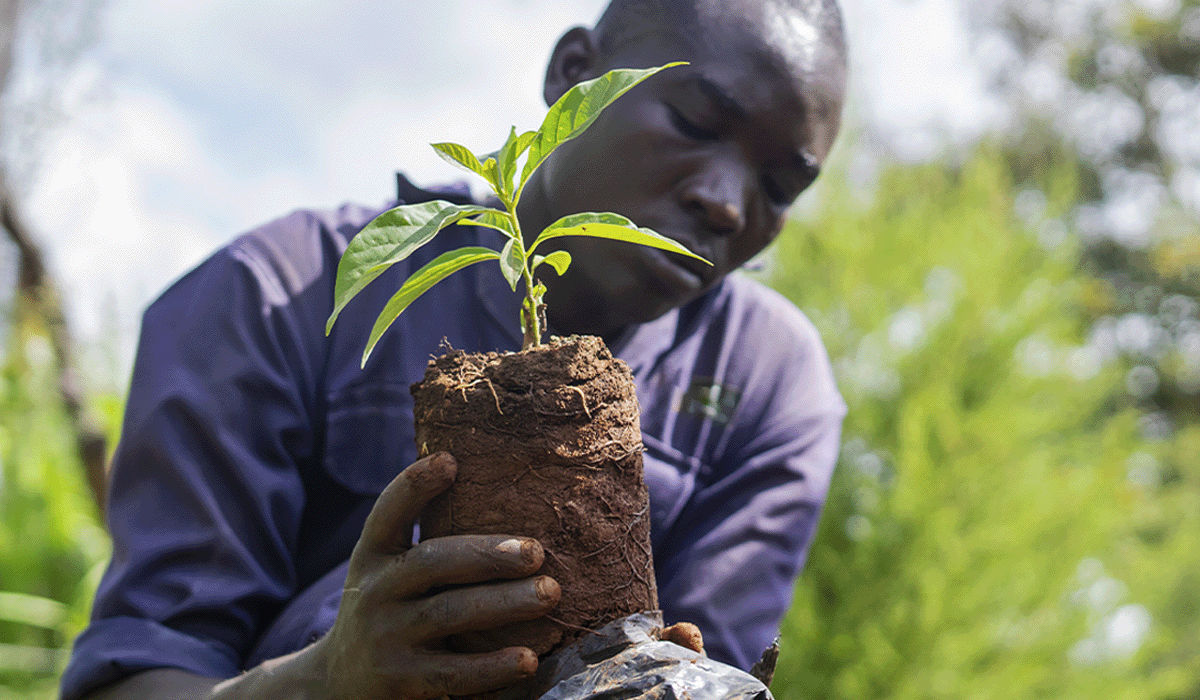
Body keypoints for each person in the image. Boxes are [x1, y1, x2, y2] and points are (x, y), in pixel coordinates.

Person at [61, 0, 849, 698]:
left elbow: (704, 673)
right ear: (574, 75)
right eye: (695, 123)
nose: (723, 198)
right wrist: (322, 678)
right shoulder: (275, 293)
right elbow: (136, 671)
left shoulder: (769, 381)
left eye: (780, 188)